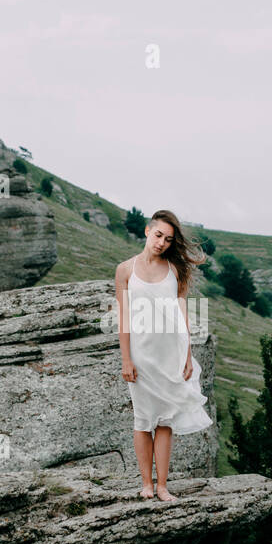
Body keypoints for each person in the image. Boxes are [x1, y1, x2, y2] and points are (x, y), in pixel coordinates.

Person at [115, 210, 212, 501]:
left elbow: (182, 314)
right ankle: (146, 483)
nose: (162, 243)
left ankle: (162, 486)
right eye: (158, 235)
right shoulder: (125, 270)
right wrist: (126, 360)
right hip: (141, 355)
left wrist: (187, 355)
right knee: (143, 419)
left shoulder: (175, 271)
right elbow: (123, 318)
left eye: (168, 240)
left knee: (165, 420)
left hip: (170, 353)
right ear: (147, 231)